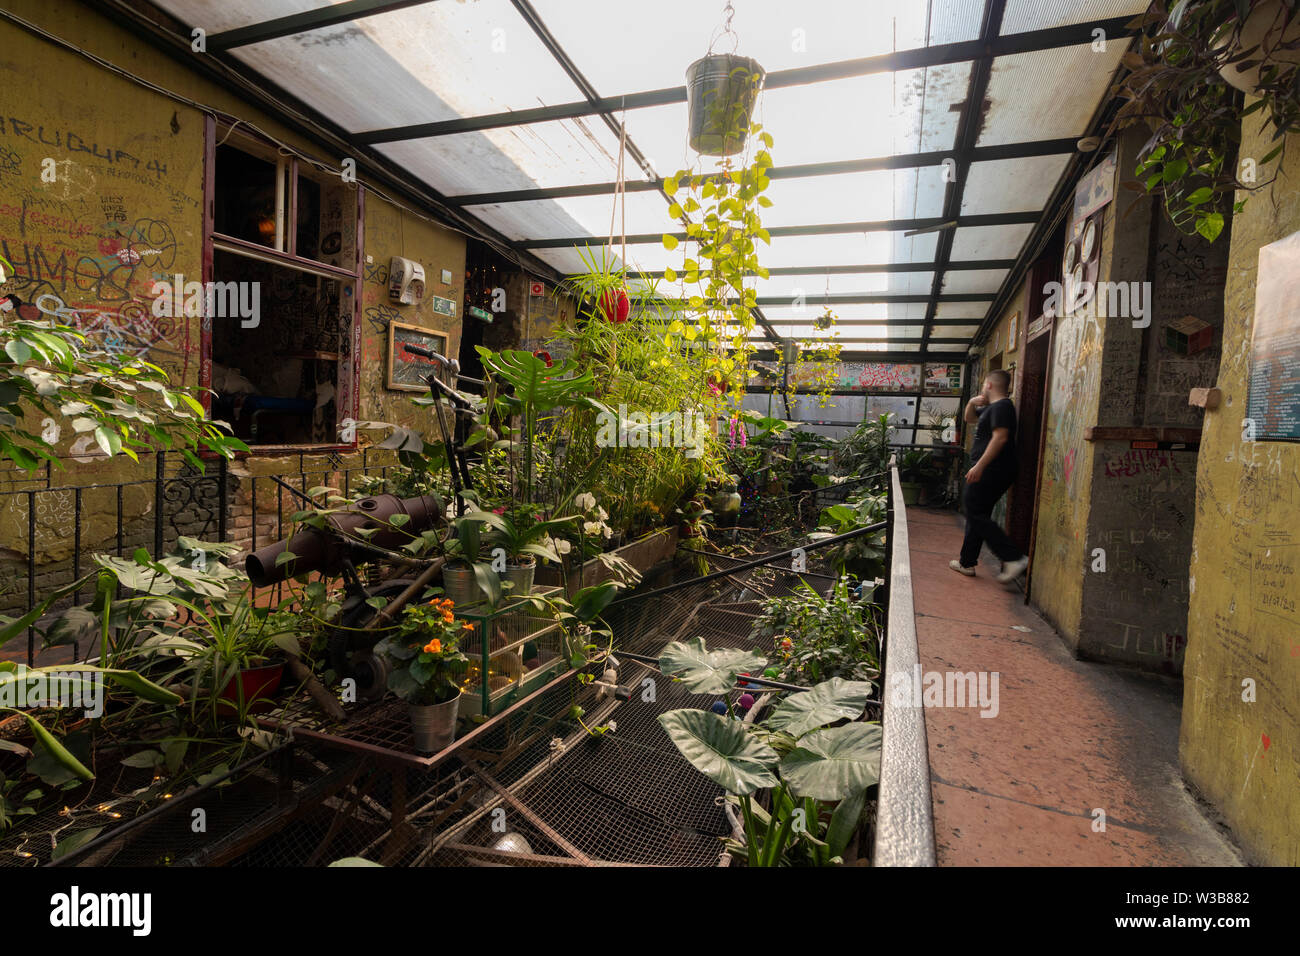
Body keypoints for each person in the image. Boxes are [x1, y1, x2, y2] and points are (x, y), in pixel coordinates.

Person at [949, 369, 1029, 583]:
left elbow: (1000, 437)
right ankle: (966, 562)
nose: (983, 387)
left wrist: (980, 466)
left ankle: (1013, 557)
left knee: (973, 510)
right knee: (977, 514)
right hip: (992, 469)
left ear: (990, 385)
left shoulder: (1003, 407)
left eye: (984, 384)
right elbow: (969, 418)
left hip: (992, 469)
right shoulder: (993, 408)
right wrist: (971, 402)